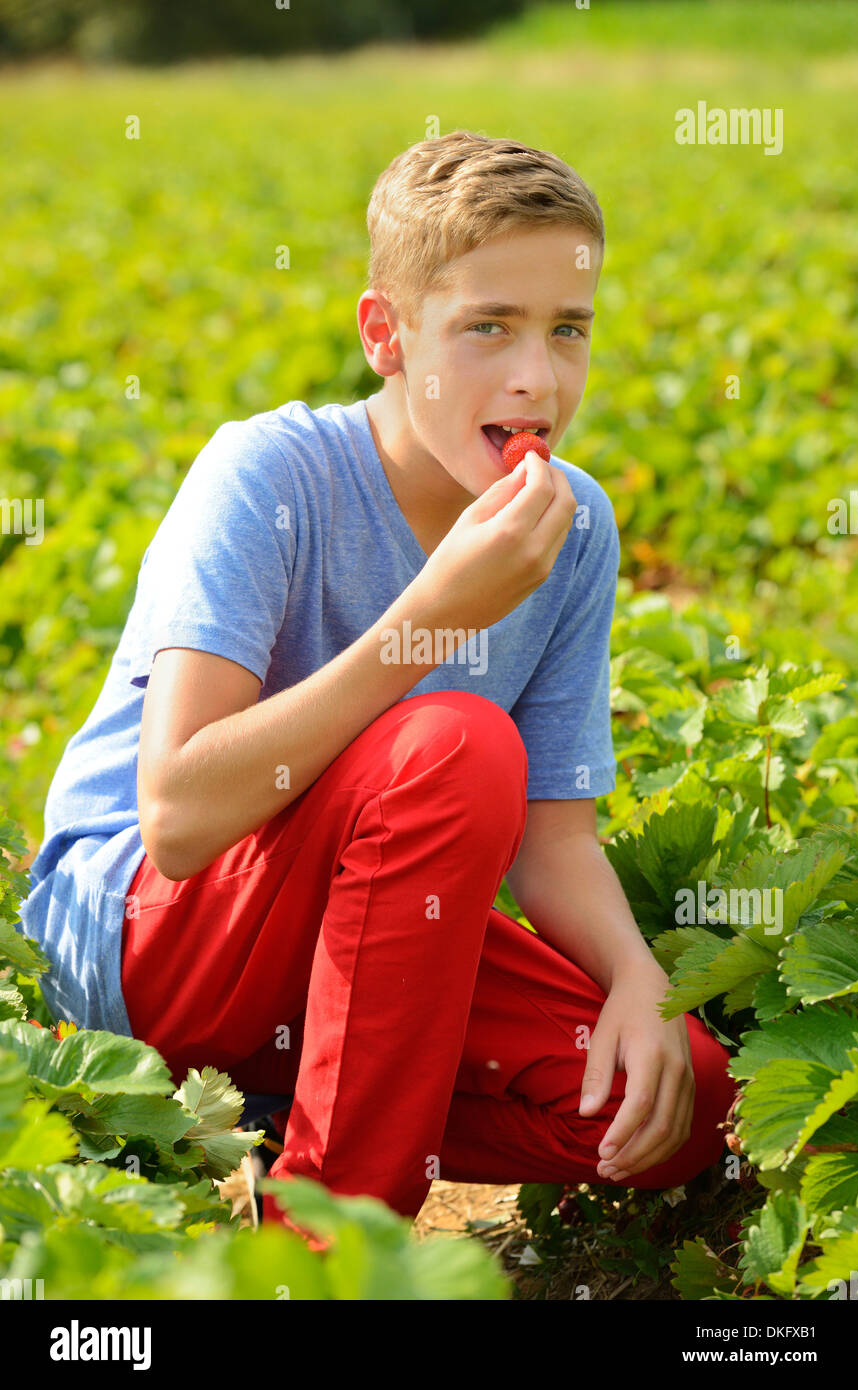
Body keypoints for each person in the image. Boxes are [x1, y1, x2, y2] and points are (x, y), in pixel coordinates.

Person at [18, 130, 735, 1242]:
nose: (535, 376)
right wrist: (432, 620)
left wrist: (640, 977)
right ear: (386, 336)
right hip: (145, 947)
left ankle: (299, 1111)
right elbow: (177, 819)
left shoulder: (574, 526)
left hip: (338, 955)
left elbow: (554, 842)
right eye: (487, 327)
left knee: (676, 1095)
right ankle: (327, 1241)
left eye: (567, 330)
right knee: (452, 743)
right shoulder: (269, 474)